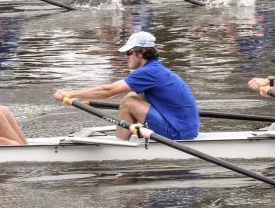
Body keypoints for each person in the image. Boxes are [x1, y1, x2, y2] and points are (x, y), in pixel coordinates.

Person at [53, 31, 200, 141]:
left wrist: (69, 93)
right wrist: (79, 97)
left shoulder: (147, 72)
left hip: (177, 133)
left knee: (129, 102)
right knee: (131, 95)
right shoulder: (155, 69)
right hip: (186, 128)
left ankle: (120, 145)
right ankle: (126, 137)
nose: (126, 57)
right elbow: (114, 93)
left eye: (129, 53)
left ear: (141, 53)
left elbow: (108, 91)